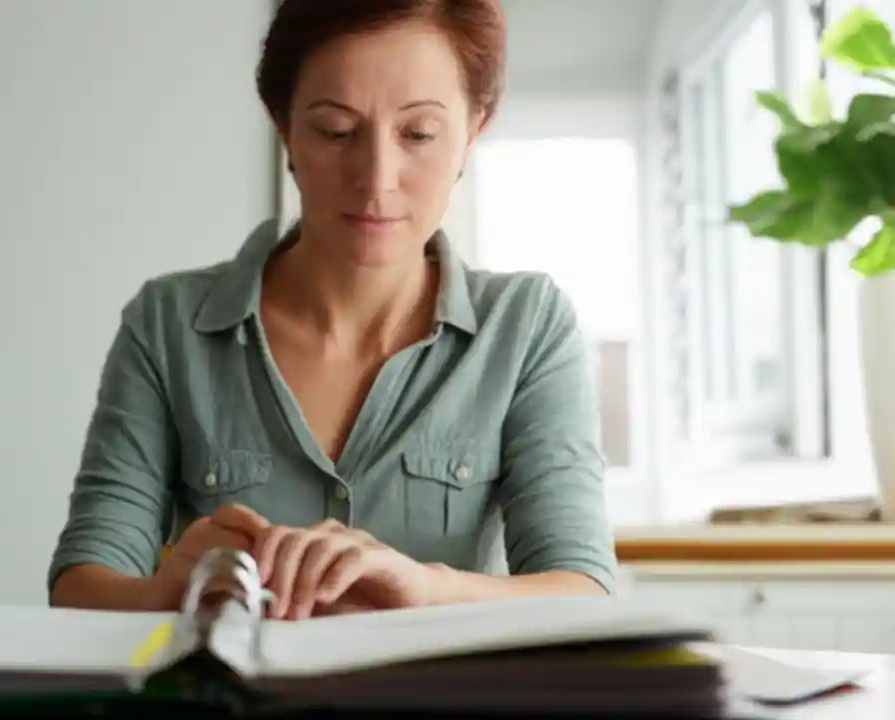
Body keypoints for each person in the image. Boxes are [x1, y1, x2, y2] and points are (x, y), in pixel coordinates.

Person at [48, 0, 616, 621]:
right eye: (336, 132)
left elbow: (582, 591)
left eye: (418, 134)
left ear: (473, 130)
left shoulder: (527, 327)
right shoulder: (168, 323)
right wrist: (164, 593)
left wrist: (424, 588)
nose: (376, 179)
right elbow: (81, 583)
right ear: (283, 126)